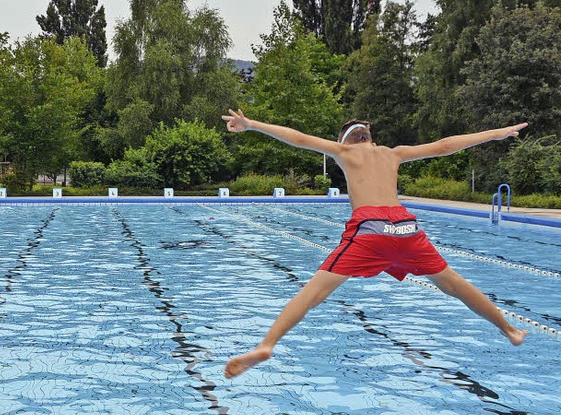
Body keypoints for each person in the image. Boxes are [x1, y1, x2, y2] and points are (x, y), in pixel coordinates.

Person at [221, 110, 529, 378]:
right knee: (454, 285)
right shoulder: (392, 153)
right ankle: (510, 330)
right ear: (370, 138)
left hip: (370, 229)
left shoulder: (345, 153)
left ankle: (266, 345)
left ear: (345, 141)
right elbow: (445, 146)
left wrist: (252, 124)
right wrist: (496, 133)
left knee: (313, 293)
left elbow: (298, 138)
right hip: (406, 228)